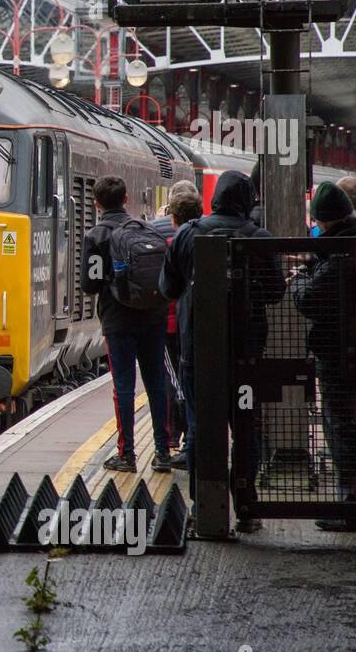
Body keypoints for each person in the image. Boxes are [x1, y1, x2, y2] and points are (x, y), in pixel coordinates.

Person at [160, 170, 286, 532]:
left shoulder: (187, 233)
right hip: (246, 351)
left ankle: (204, 508)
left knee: (200, 426)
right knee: (246, 425)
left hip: (196, 351)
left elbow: (169, 289)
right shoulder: (259, 237)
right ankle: (247, 508)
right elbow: (276, 292)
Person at [290, 182, 356, 532]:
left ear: (324, 221)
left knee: (342, 427)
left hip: (343, 353)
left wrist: (299, 277)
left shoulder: (343, 252)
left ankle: (355, 507)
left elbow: (309, 297)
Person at [81, 176, 172, 474]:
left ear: (96, 203)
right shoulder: (146, 229)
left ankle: (127, 454)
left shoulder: (96, 237)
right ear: (126, 199)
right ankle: (162, 452)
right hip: (153, 316)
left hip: (118, 319)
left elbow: (91, 285)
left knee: (123, 386)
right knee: (157, 383)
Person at [149, 182, 201, 464]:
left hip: (169, 321)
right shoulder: (207, 231)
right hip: (200, 323)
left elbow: (167, 286)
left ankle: (173, 439)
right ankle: (191, 440)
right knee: (192, 381)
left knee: (172, 380)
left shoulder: (157, 231)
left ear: (171, 211)